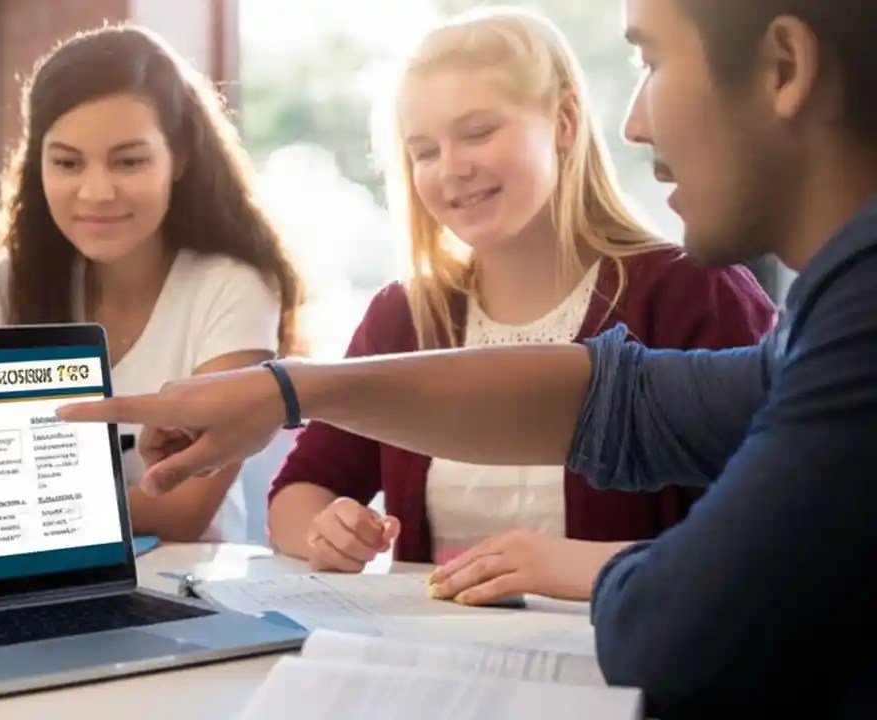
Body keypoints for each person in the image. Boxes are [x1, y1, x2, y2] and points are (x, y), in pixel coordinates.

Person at [58, 0, 877, 715]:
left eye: (651, 60)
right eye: (423, 148)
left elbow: (685, 628)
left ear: (783, 66)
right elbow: (617, 398)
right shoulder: (831, 308)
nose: (632, 121)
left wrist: (582, 569)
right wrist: (289, 391)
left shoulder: (842, 316)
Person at [265, 8, 776, 588]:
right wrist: (326, 531)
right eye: (425, 152)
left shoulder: (694, 294)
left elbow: (765, 528)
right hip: (442, 653)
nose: (452, 169)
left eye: (479, 133)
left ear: (563, 122)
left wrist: (576, 569)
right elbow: (297, 491)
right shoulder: (405, 316)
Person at [0, 25, 304, 542]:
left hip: (191, 595)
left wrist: (18, 513)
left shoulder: (233, 287)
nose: (97, 191)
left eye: (129, 161)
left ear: (180, 158)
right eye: (67, 162)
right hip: (35, 587)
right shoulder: (0, 289)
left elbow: (184, 509)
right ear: (38, 165)